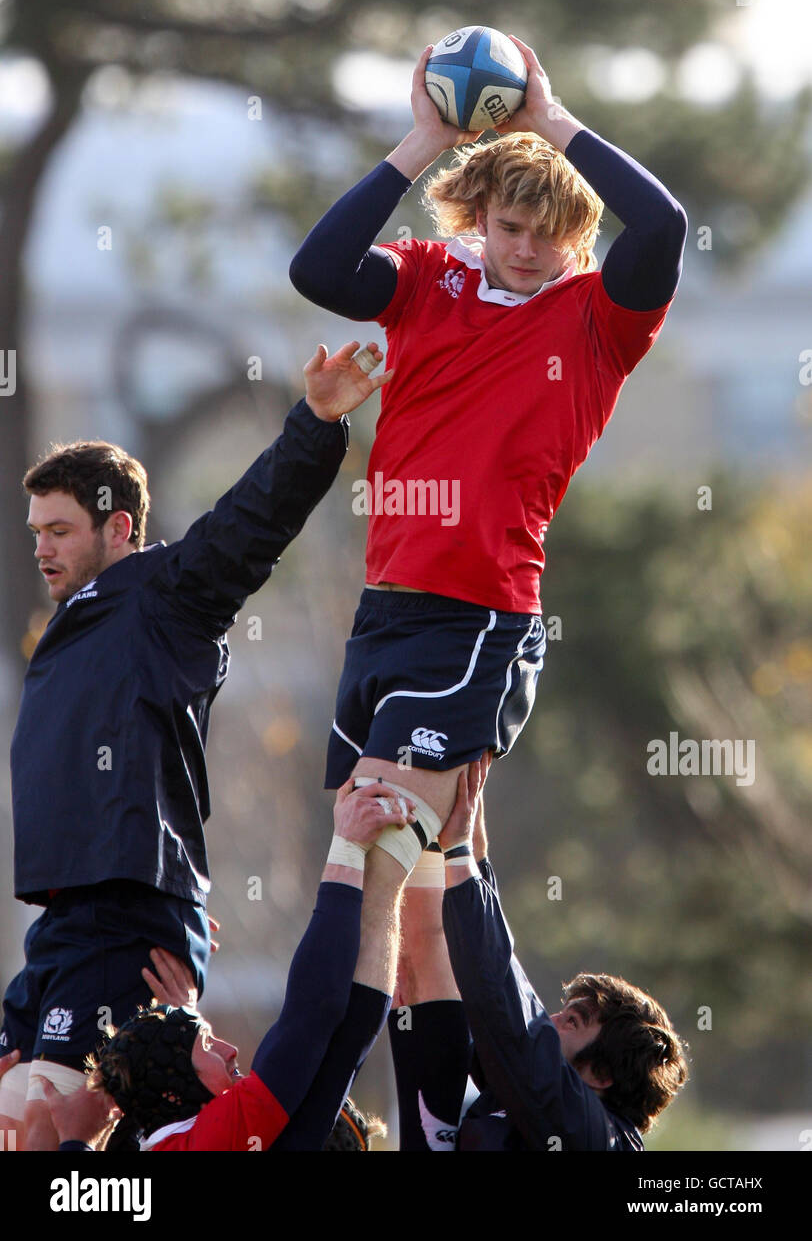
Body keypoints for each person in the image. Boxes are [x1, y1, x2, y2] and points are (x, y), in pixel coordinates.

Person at [288, 38, 688, 1040]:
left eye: (547, 234)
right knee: (418, 904)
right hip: (384, 608)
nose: (524, 248)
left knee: (367, 871)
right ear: (475, 219)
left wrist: (549, 116)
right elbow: (316, 267)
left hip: (476, 619)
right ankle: (458, 1122)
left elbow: (667, 223)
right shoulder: (428, 279)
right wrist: (422, 138)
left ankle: (301, 1109)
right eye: (508, 226)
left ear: (576, 237)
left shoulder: (598, 320)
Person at [0, 340, 391, 1151]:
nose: (42, 547)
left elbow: (248, 524)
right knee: (12, 1116)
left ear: (120, 527)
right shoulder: (73, 623)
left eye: (61, 530)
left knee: (47, 1125)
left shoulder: (161, 597)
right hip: (67, 922)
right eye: (36, 529)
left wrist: (315, 422)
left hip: (128, 917)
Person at [35, 779, 411, 1152]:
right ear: (171, 1091)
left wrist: (76, 1141)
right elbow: (314, 1014)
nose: (231, 1050)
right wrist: (346, 846)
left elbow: (346, 1041)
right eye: (210, 1043)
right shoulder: (214, 1140)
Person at [390, 766, 688, 1151]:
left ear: (601, 1074)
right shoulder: (537, 1108)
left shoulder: (595, 1139)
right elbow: (497, 1019)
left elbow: (511, 1020)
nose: (552, 1020)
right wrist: (475, 859)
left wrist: (461, 853)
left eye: (573, 1022)